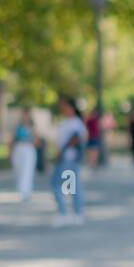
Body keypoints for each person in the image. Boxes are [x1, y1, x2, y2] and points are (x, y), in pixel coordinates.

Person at [52, 96, 86, 226]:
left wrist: (63, 151)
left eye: (64, 106)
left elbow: (76, 138)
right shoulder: (66, 122)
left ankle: (66, 213)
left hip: (69, 158)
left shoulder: (75, 122)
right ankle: (74, 213)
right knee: (70, 186)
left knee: (60, 185)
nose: (62, 108)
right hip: (65, 158)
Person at [10, 108, 39, 202]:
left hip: (28, 149)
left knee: (27, 171)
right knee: (19, 170)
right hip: (18, 149)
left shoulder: (33, 127)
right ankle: (22, 190)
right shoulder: (18, 126)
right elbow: (13, 140)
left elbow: (37, 142)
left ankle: (26, 192)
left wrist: (32, 138)